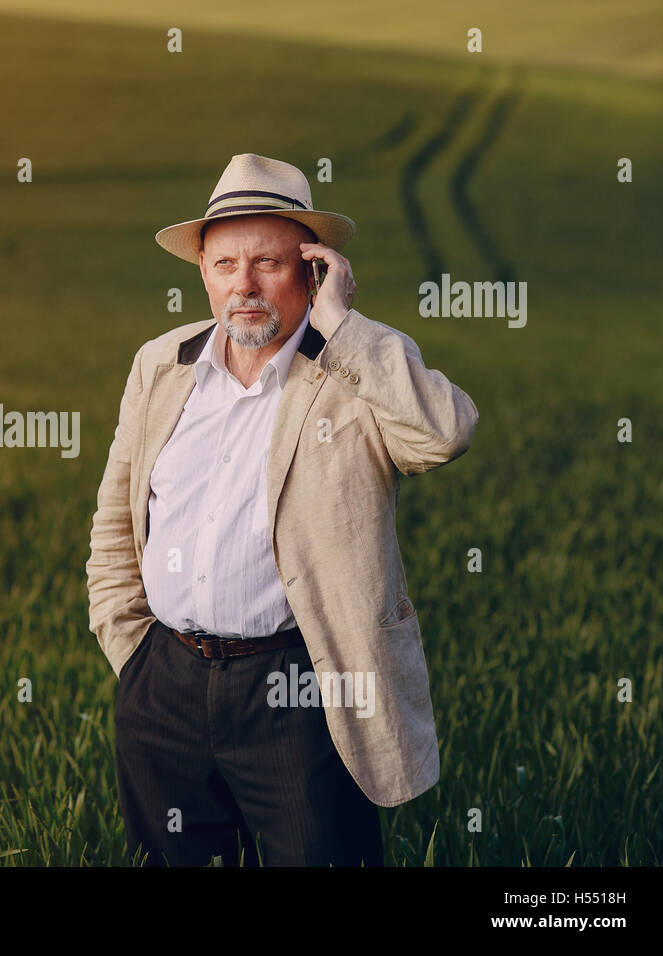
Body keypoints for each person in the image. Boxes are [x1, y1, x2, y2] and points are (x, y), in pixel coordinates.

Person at [86, 153, 479, 866]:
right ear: (203, 271)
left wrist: (345, 325)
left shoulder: (350, 368)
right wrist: (134, 652)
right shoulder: (161, 364)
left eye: (268, 262)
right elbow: (117, 517)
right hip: (163, 685)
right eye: (225, 263)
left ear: (313, 268)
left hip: (299, 685)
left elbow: (445, 434)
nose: (244, 284)